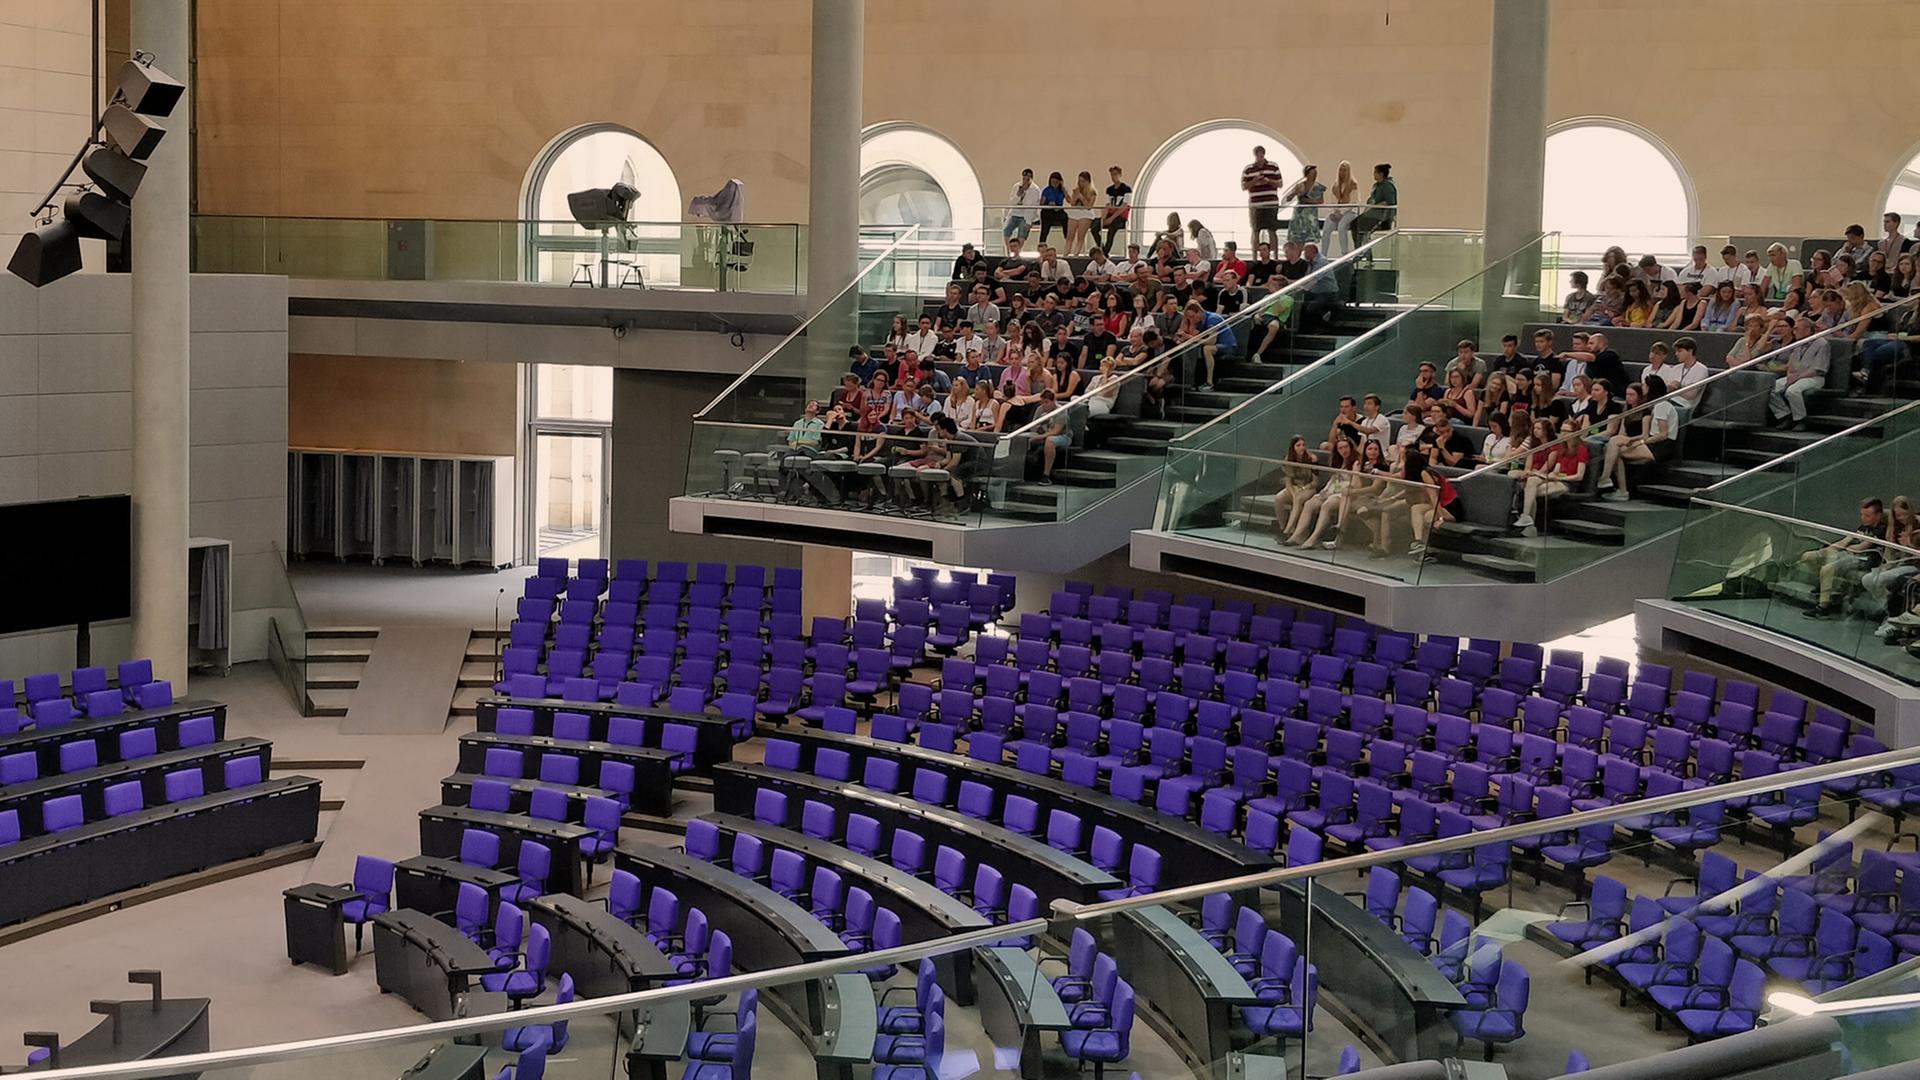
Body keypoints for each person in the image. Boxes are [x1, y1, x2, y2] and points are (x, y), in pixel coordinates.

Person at [1803, 498, 1889, 618]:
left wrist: (1846, 548)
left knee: (1827, 569)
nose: (1863, 518)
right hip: (1848, 553)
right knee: (1808, 557)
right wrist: (1827, 550)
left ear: (1878, 515)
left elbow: (1862, 547)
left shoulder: (1882, 529)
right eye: (1862, 515)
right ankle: (1825, 584)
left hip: (1864, 559)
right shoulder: (1863, 527)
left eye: (1867, 515)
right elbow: (1845, 541)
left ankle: (1823, 607)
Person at [1599, 377, 1677, 501]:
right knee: (1613, 449)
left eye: (1645, 385)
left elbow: (1663, 434)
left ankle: (1606, 479)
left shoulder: (1662, 406)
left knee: (1613, 448)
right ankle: (1618, 488)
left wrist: (1642, 442)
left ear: (1651, 388)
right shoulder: (1656, 405)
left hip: (1661, 446)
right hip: (1653, 443)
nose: (1643, 388)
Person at [1514, 418, 1589, 535]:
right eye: (1562, 430)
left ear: (1574, 433)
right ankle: (1528, 520)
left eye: (1566, 431)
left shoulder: (1581, 450)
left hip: (1568, 483)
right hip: (1557, 479)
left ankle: (1528, 521)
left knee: (1531, 491)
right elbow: (1557, 470)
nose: (1563, 433)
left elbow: (1579, 476)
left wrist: (1558, 478)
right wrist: (1551, 475)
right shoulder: (1561, 449)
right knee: (1532, 482)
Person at [1286, 436, 1359, 549]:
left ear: (1350, 448)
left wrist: (1333, 492)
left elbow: (1354, 484)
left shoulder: (1356, 463)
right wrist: (1325, 492)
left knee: (1326, 505)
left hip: (1346, 493)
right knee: (1309, 504)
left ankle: (1313, 539)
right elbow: (1333, 481)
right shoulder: (1338, 462)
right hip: (1333, 490)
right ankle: (1296, 535)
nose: (1343, 450)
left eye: (1346, 447)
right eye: (1340, 448)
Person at [1768, 316, 1831, 429]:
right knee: (1770, 389)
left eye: (1797, 328)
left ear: (1807, 330)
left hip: (1813, 378)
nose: (1794, 331)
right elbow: (1793, 364)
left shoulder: (1822, 344)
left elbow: (1817, 369)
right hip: (1796, 376)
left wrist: (1796, 378)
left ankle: (1801, 419)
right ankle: (1785, 415)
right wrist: (1790, 375)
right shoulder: (1797, 343)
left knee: (1792, 391)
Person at [1176, 299, 1236, 392]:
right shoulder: (1199, 322)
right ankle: (1189, 381)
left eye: (1192, 317)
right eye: (1189, 318)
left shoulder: (1213, 318)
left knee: (1207, 349)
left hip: (1227, 345)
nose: (1191, 320)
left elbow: (1211, 341)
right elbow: (1196, 337)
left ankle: (1209, 383)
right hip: (1216, 345)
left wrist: (1189, 338)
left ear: (1199, 312)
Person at [1273, 436, 1323, 541]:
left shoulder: (1311, 459)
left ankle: (1288, 530)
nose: (1302, 447)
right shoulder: (1289, 458)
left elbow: (1316, 481)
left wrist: (1304, 488)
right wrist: (1292, 492)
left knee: (1298, 499)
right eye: (1298, 445)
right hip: (1295, 487)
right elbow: (1288, 481)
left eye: (1303, 445)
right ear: (1293, 447)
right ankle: (1283, 527)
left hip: (1309, 487)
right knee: (1279, 498)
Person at [1242, 145, 1285, 248]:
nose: (1259, 157)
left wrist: (1268, 181)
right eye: (1257, 155)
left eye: (1261, 154)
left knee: (1272, 229)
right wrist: (1254, 180)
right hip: (1256, 204)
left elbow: (1279, 183)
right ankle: (1255, 256)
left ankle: (1274, 255)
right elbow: (1244, 186)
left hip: (1271, 203)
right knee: (1255, 229)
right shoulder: (1248, 169)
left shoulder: (1273, 166)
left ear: (1264, 154)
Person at [1322, 161, 1360, 258]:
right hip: (1337, 212)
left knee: (1342, 226)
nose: (1342, 173)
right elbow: (1333, 201)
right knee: (1326, 228)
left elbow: (1354, 202)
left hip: (1350, 212)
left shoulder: (1353, 184)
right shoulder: (1335, 186)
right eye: (1341, 170)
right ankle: (1323, 254)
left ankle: (1344, 254)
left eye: (1344, 170)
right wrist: (1334, 212)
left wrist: (1342, 212)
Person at [1351, 163, 1397, 243]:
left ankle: (1364, 251)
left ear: (1381, 174)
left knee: (1360, 225)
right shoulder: (1376, 186)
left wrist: (1375, 206)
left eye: (1375, 172)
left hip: (1382, 217)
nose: (1373, 174)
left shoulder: (1387, 186)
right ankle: (1359, 249)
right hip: (1372, 214)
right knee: (1354, 224)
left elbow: (1390, 202)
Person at [1283, 164, 1325, 246]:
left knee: (1310, 240)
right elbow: (1288, 198)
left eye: (1315, 174)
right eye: (1312, 173)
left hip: (1311, 214)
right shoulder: (1300, 185)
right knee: (1298, 239)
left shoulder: (1318, 187)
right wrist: (1295, 192)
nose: (1313, 176)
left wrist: (1310, 201)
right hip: (1299, 214)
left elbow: (1321, 201)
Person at [1668, 337, 1710, 416]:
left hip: (1686, 406)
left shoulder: (1701, 369)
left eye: (1680, 351)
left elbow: (1691, 395)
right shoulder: (1675, 368)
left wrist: (1677, 387)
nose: (1676, 354)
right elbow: (1668, 389)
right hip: (1670, 401)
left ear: (1690, 351)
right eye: (1676, 351)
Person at [1098, 165, 1132, 252]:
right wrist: (1103, 218)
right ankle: (1101, 247)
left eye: (1115, 174)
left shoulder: (1126, 189)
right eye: (1112, 175)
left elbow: (1124, 206)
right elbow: (1107, 205)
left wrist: (1111, 218)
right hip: (1111, 214)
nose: (1113, 177)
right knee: (1095, 226)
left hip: (1120, 216)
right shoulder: (1109, 190)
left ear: (1120, 175)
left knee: (1112, 228)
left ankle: (1105, 251)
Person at [1064, 171, 1098, 255]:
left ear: (1088, 182)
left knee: (1080, 237)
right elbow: (1072, 203)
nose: (1081, 183)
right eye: (1079, 181)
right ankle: (1066, 254)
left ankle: (1076, 254)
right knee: (1069, 237)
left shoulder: (1092, 192)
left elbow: (1089, 206)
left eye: (1083, 181)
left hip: (1086, 213)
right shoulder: (1076, 190)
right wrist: (1075, 195)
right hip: (1075, 212)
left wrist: (1082, 197)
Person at [1004, 169, 1041, 244]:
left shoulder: (1035, 190)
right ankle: (1008, 250)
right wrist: (1018, 195)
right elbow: (1011, 202)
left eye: (1028, 179)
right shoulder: (1016, 186)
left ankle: (1018, 250)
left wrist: (1029, 222)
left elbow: (1033, 207)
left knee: (1022, 233)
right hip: (1015, 213)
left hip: (1025, 216)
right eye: (1024, 179)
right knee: (1006, 230)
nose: (1025, 181)